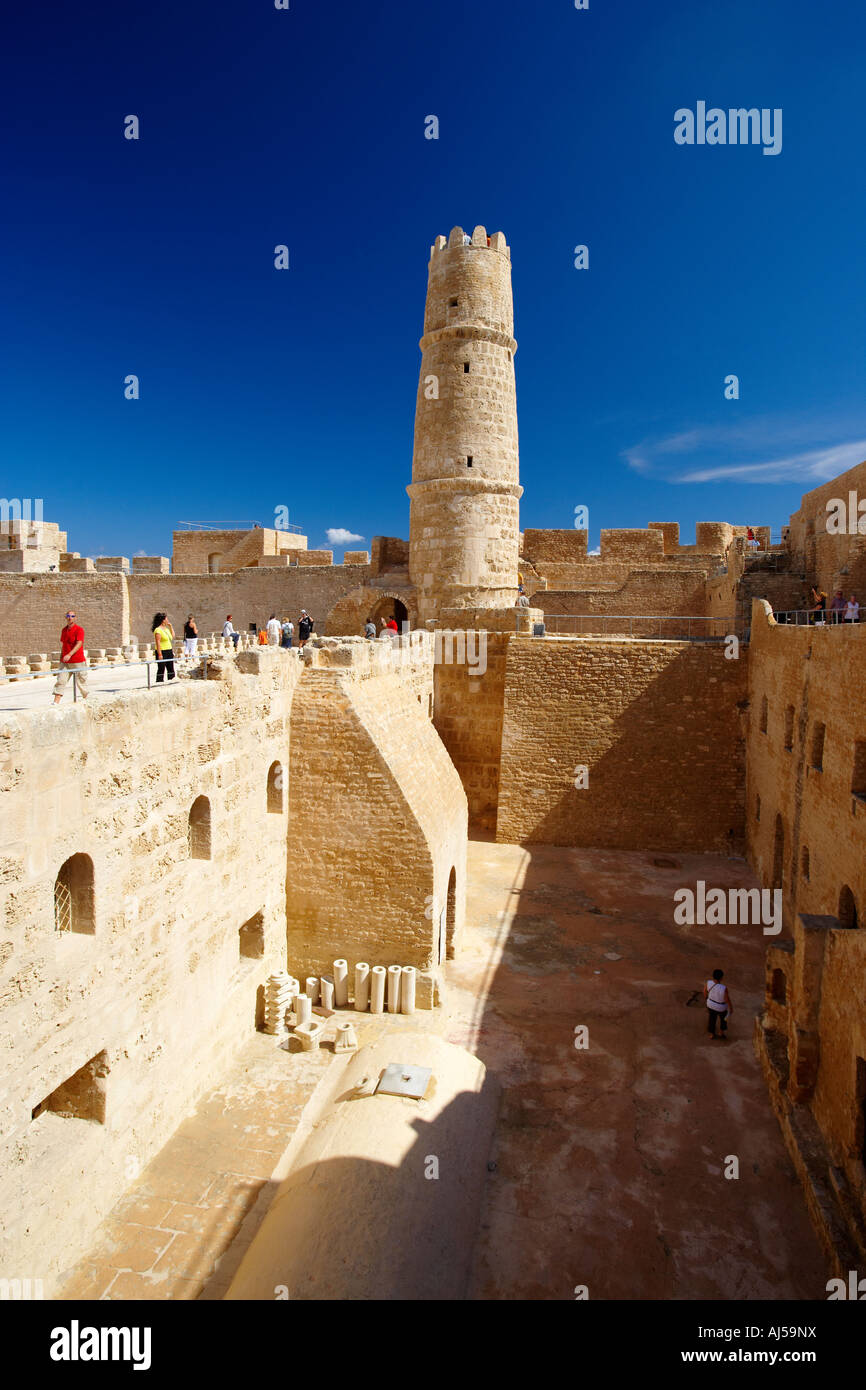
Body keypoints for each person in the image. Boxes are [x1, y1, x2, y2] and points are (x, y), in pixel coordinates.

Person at [53, 611, 88, 704]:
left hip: (77, 660)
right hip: (65, 662)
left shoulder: (79, 630)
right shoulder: (64, 630)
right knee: (61, 680)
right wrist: (61, 658)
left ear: (75, 618)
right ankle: (56, 702)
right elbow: (64, 644)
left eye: (72, 616)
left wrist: (70, 654)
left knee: (81, 681)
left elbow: (79, 643)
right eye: (68, 616)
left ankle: (86, 698)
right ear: (65, 617)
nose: (70, 618)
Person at [704, 969, 733, 1040]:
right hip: (721, 1007)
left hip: (710, 1005)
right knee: (723, 1019)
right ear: (721, 978)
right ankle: (721, 1032)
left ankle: (712, 1034)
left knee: (712, 1019)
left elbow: (704, 992)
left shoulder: (708, 983)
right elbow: (727, 1000)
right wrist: (731, 1008)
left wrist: (707, 1000)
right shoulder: (724, 988)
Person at [152, 612, 175, 683]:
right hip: (162, 651)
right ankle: (159, 682)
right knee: (161, 668)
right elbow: (158, 642)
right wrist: (160, 654)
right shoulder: (158, 630)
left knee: (171, 668)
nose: (168, 620)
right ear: (163, 620)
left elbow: (172, 637)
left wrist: (171, 627)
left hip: (169, 650)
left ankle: (171, 682)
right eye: (166, 618)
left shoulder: (166, 629)